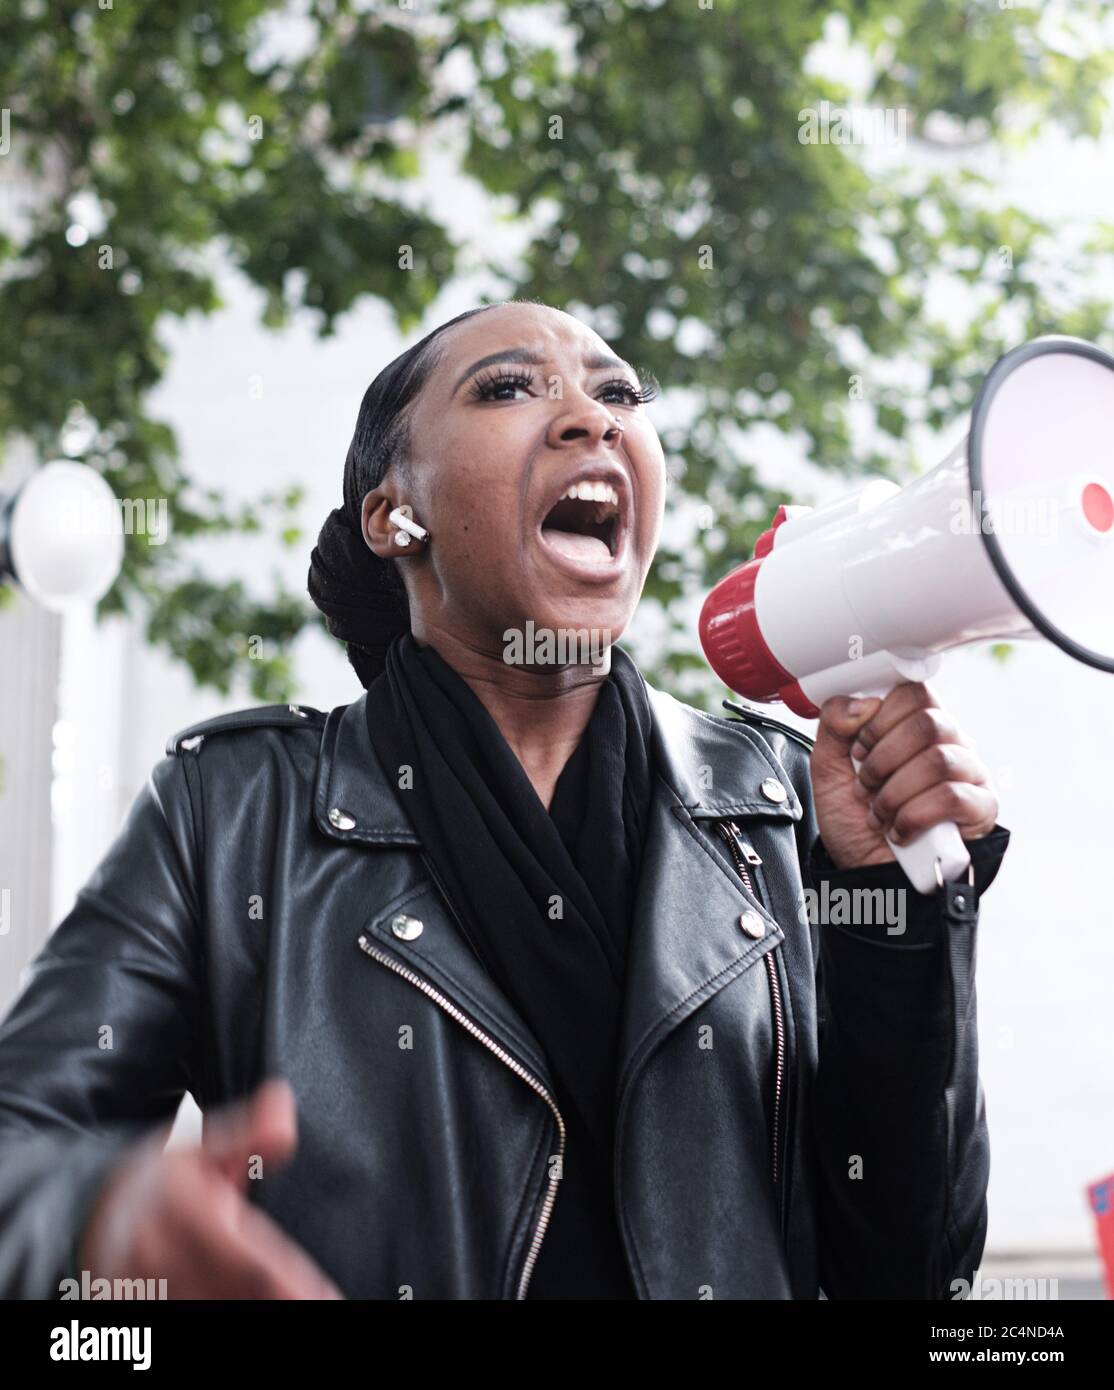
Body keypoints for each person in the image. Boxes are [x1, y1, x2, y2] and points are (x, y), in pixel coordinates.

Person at [0, 300, 1009, 1300]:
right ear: (396, 515)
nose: (592, 418)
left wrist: (900, 914)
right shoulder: (231, 812)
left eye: (619, 392)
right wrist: (105, 1211)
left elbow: (911, 1272)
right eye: (510, 387)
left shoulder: (787, 804)